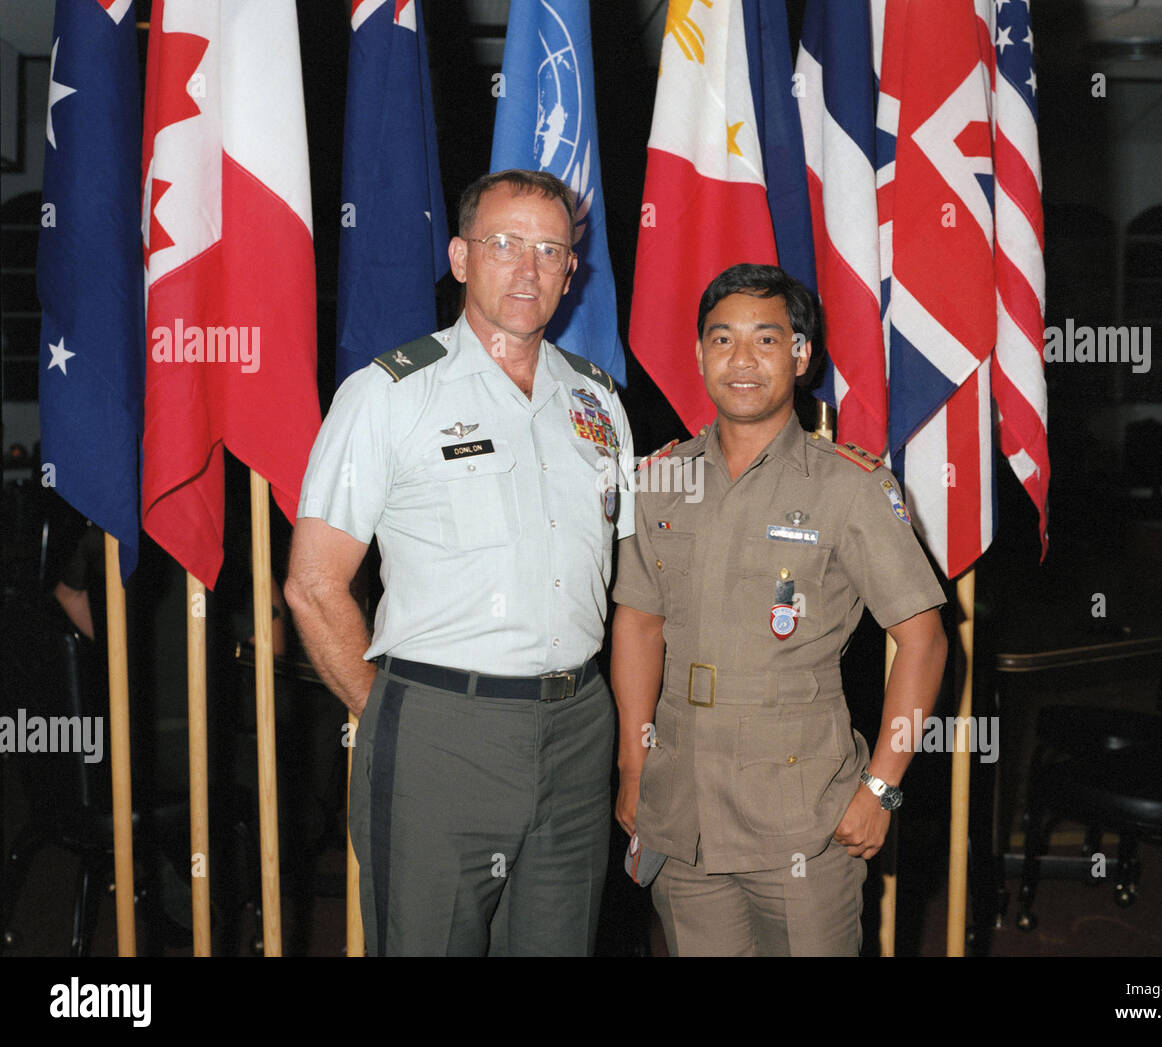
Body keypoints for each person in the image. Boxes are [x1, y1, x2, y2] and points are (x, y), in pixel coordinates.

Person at [285, 169, 633, 956]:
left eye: (551, 251)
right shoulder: (389, 395)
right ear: (462, 257)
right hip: (439, 732)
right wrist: (391, 717)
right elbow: (312, 585)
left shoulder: (600, 404)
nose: (529, 269)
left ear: (571, 273)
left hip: (579, 728)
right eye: (505, 244)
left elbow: (632, 572)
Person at [610, 263, 947, 956]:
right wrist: (633, 767)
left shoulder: (850, 488)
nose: (741, 360)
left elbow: (924, 641)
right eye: (722, 339)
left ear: (801, 356)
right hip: (684, 810)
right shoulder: (659, 482)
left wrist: (881, 787)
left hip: (804, 816)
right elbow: (639, 625)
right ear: (700, 353)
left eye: (766, 340)